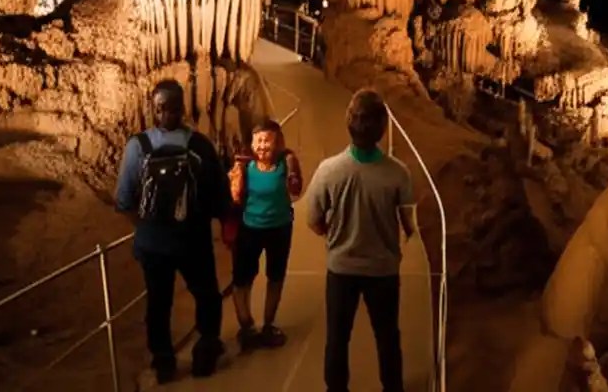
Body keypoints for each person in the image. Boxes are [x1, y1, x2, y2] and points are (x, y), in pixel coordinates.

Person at [115, 79, 228, 383]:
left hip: (153, 244)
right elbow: (220, 198)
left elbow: (124, 199)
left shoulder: (137, 146)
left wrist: (146, 227)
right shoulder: (201, 145)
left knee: (158, 302)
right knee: (206, 295)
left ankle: (164, 362)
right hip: (193, 240)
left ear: (155, 108)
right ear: (183, 106)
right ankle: (205, 352)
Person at [307, 89, 417, 392]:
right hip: (383, 270)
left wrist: (336, 236)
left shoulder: (329, 171)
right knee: (387, 336)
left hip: (341, 269)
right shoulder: (398, 174)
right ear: (383, 128)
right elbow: (410, 226)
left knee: (338, 337)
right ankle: (392, 387)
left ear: (348, 123)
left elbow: (313, 220)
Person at [228, 119, 304, 351]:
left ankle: (268, 323)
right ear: (252, 143)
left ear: (278, 143)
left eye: (268, 141)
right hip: (250, 228)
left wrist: (292, 173)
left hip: (279, 228)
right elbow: (235, 196)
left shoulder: (286, 162)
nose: (263, 146)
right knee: (242, 277)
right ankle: (246, 323)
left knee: (276, 275)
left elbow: (296, 189)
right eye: (259, 141)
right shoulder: (245, 167)